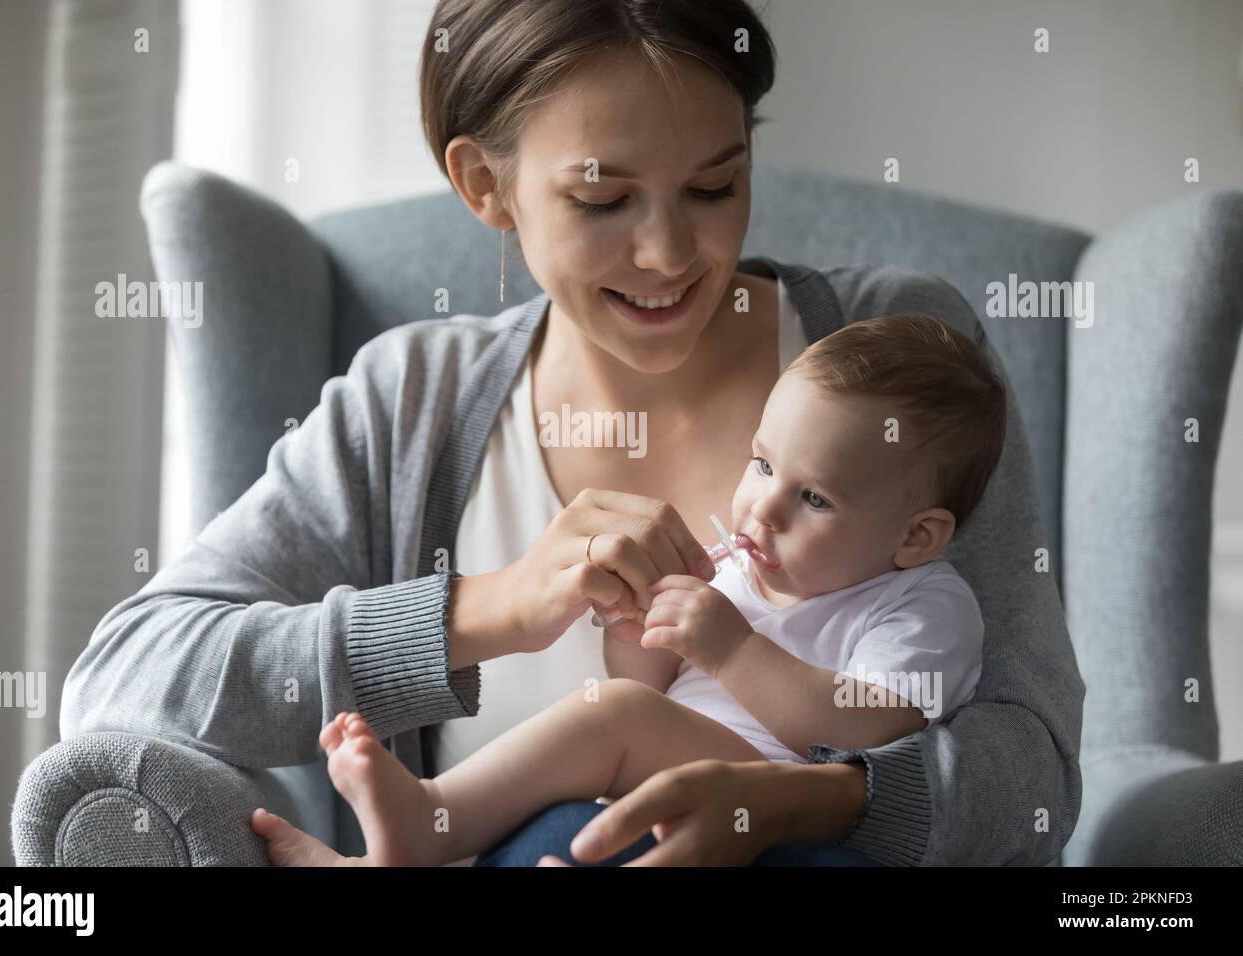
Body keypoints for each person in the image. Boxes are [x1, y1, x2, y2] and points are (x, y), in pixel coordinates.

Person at [62, 0, 1084, 867]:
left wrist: (820, 801)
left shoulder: (897, 360)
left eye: (714, 185)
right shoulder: (413, 399)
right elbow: (124, 676)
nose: (672, 252)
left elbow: (1032, 771)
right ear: (484, 185)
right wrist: (485, 608)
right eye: (603, 197)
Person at [255, 313, 1002, 868]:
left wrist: (732, 650)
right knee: (615, 703)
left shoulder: (924, 604)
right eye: (764, 465)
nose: (763, 508)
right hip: (669, 794)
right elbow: (652, 683)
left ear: (916, 537)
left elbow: (870, 730)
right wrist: (634, 631)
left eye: (816, 500)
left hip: (783, 815)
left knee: (613, 717)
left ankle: (431, 816)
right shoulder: (745, 570)